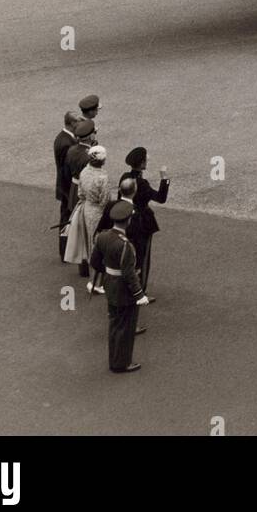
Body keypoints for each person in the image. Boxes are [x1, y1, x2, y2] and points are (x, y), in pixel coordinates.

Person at [89, 201, 149, 373]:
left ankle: (114, 359)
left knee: (115, 324)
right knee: (126, 327)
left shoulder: (103, 237)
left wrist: (108, 273)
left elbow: (95, 262)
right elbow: (129, 273)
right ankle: (121, 362)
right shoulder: (125, 245)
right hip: (123, 290)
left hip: (110, 284)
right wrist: (139, 295)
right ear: (128, 220)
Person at [122, 147, 169, 297]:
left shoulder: (125, 177)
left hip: (126, 219)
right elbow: (161, 198)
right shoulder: (142, 183)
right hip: (142, 223)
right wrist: (164, 179)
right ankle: (140, 290)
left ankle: (127, 285)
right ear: (141, 163)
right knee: (142, 258)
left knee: (129, 255)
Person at [65, 145, 108, 277]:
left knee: (87, 240)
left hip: (86, 209)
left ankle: (88, 272)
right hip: (98, 211)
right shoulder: (103, 177)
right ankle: (97, 278)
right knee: (98, 243)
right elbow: (105, 199)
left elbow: (80, 193)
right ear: (103, 160)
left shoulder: (84, 172)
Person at [60, 118, 96, 274]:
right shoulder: (89, 155)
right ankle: (87, 264)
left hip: (74, 188)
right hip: (85, 189)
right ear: (88, 137)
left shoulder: (72, 150)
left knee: (77, 225)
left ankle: (82, 265)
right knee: (87, 227)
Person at [53, 112, 81, 260]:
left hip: (66, 188)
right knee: (66, 218)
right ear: (71, 123)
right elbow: (66, 171)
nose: (79, 124)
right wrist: (69, 193)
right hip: (67, 188)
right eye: (77, 122)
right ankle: (64, 251)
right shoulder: (65, 143)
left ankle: (67, 249)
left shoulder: (65, 138)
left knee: (67, 217)